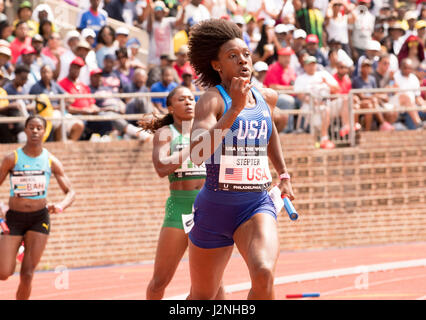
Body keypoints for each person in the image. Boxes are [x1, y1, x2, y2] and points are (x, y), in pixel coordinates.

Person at [186, 19, 294, 300]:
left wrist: (283, 175)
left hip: (255, 204)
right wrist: (233, 109)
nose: (243, 61)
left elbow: (270, 135)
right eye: (232, 56)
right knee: (202, 297)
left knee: (264, 273)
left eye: (246, 54)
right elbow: (198, 153)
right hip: (214, 208)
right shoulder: (212, 100)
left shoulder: (266, 97)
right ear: (217, 65)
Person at [139, 86, 213, 300]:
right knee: (160, 280)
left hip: (207, 207)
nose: (189, 102)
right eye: (182, 99)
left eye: (192, 98)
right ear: (171, 107)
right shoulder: (165, 134)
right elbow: (161, 168)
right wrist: (192, 146)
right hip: (179, 209)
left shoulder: (207, 131)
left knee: (214, 282)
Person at [0, 115, 75, 300]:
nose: (35, 131)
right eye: (31, 127)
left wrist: (60, 206)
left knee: (27, 274)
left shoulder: (51, 160)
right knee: (4, 272)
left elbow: (71, 192)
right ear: (25, 130)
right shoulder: (12, 158)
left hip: (38, 219)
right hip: (14, 219)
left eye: (38, 128)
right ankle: (16, 247)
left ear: (44, 131)